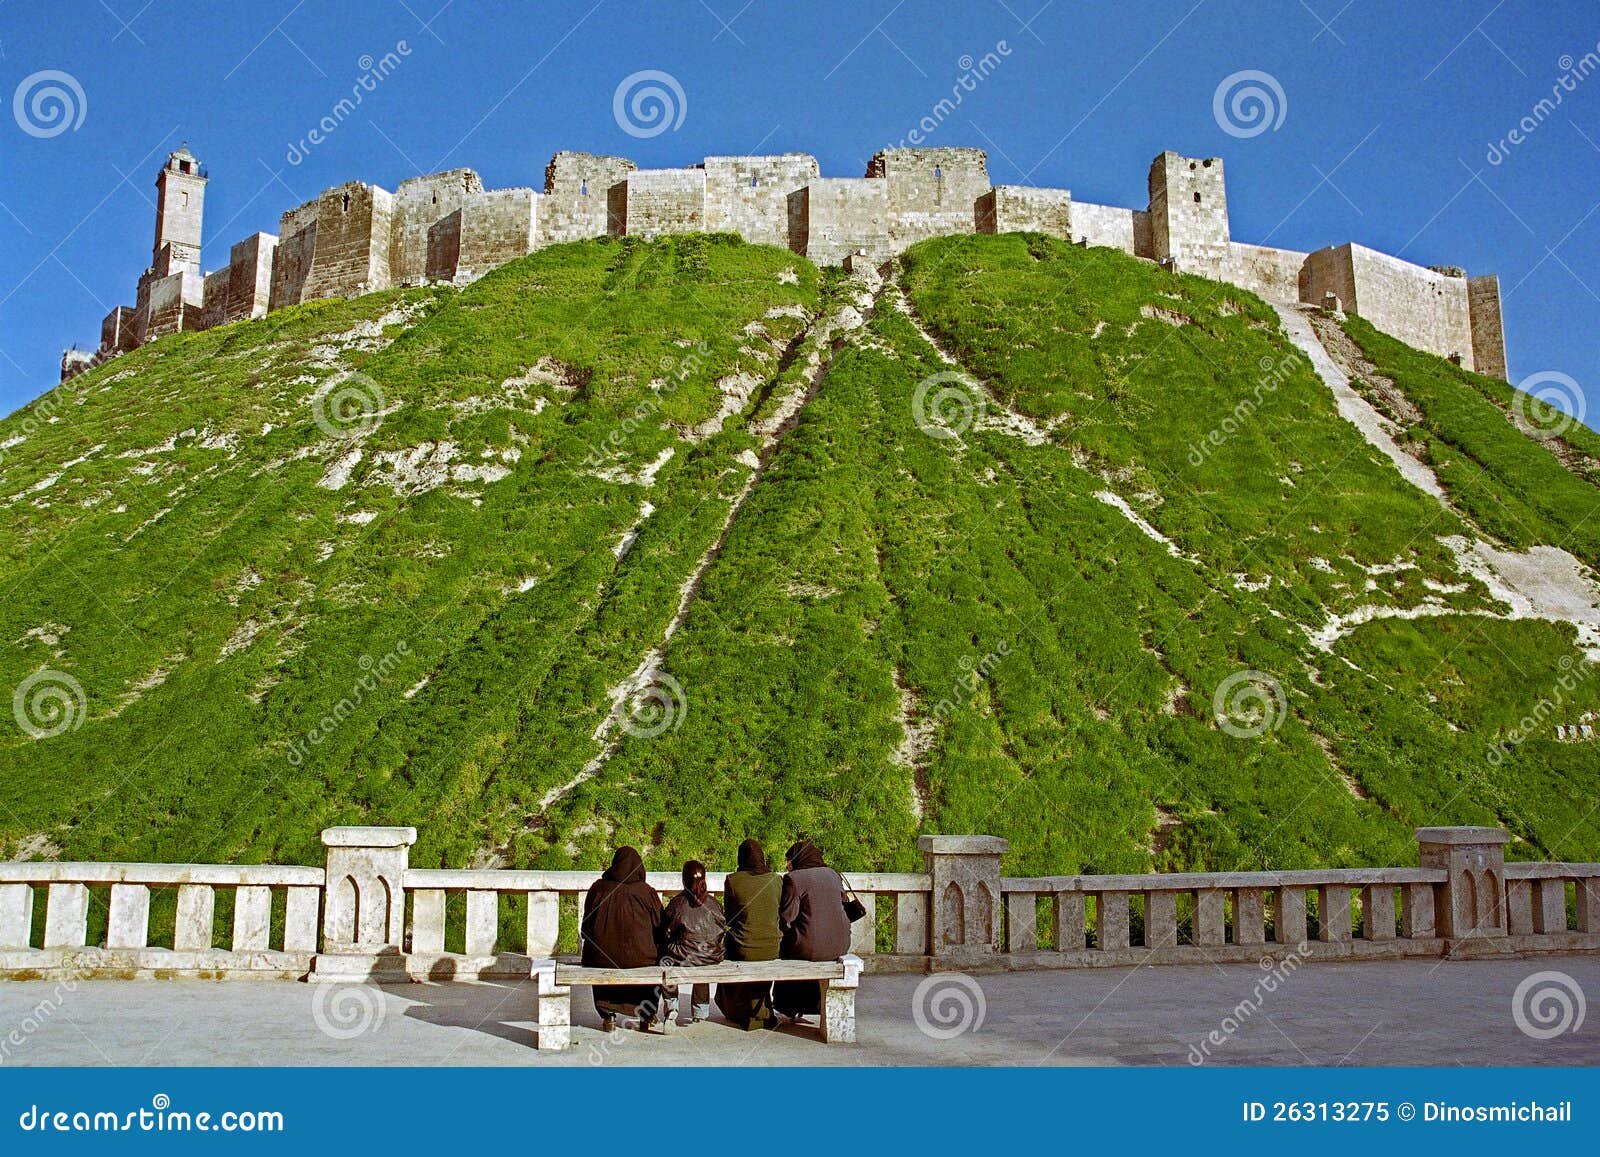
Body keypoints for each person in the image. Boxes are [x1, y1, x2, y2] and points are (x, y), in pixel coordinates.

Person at [580, 845, 663, 1032]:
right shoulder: (646, 891)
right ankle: (646, 1015)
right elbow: (660, 927)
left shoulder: (597, 888)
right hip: (641, 958)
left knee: (599, 954)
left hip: (601, 959)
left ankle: (608, 1014)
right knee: (654, 958)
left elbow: (586, 928)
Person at [773, 838, 852, 1023]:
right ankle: (812, 1004)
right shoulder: (833, 874)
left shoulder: (794, 879)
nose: (787, 865)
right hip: (840, 945)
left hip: (810, 947)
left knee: (787, 946)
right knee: (806, 940)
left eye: (789, 860)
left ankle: (790, 1006)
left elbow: (787, 918)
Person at [715, 838, 782, 1030]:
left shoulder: (733, 880)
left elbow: (729, 919)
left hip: (743, 948)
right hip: (772, 948)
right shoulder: (776, 880)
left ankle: (744, 1010)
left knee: (732, 943)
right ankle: (761, 1008)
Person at [657, 859, 725, 1024]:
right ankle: (700, 1011)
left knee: (665, 960)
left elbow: (665, 932)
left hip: (684, 955)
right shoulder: (714, 904)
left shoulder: (677, 904)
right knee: (701, 959)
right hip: (711, 955)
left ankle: (672, 1008)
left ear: (683, 879)